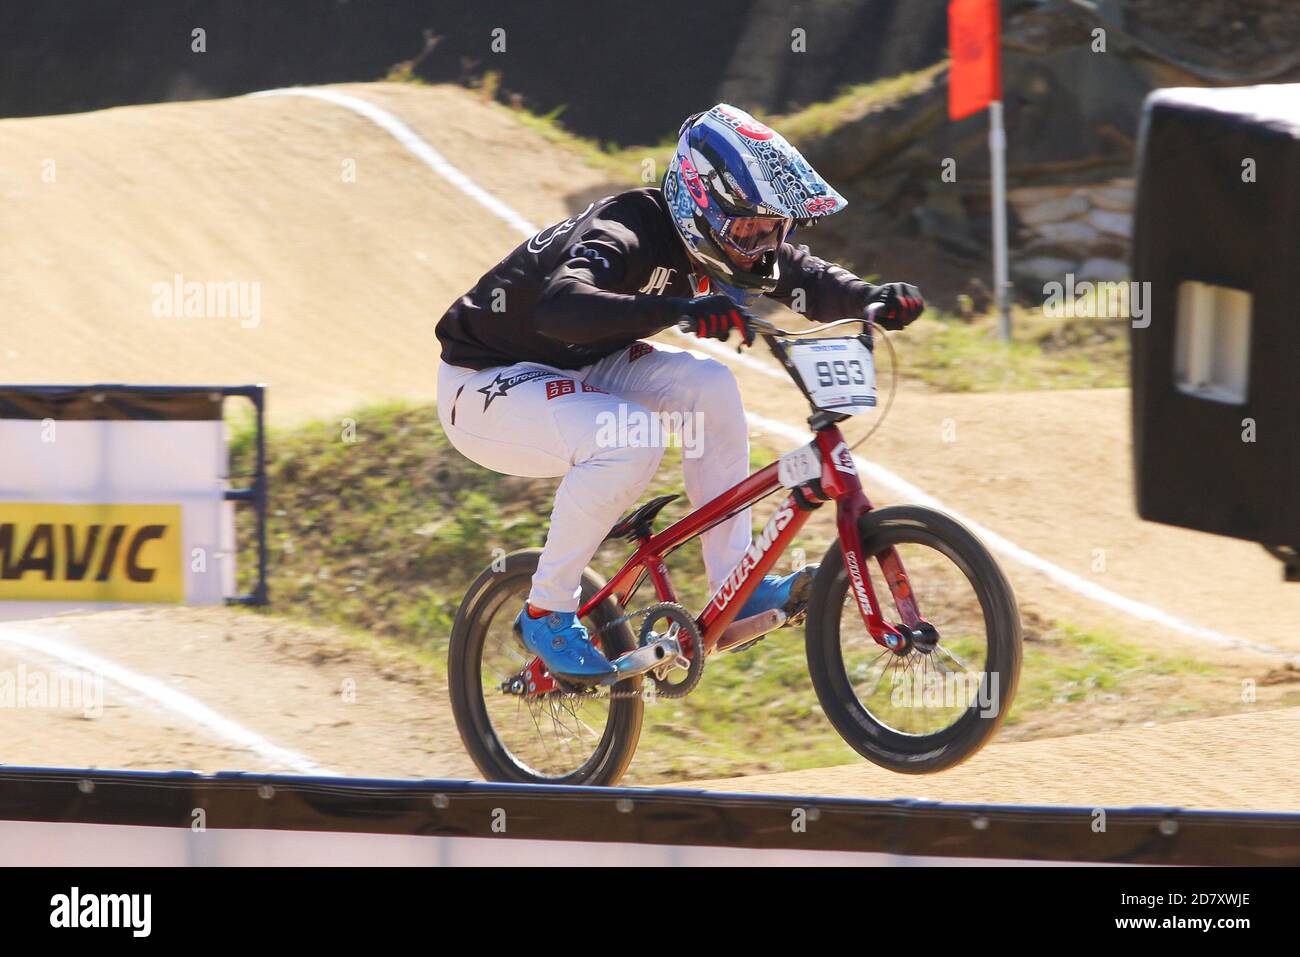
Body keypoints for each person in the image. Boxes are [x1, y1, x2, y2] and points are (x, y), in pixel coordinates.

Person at [435, 104, 924, 683]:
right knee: (633, 437)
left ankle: (733, 585)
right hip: (486, 382)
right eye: (747, 229)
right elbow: (558, 306)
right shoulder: (628, 226)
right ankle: (545, 610)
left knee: (710, 384)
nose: (759, 246)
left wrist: (872, 299)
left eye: (774, 229)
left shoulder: (737, 243)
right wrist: (680, 309)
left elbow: (807, 279)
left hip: (587, 362)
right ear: (700, 204)